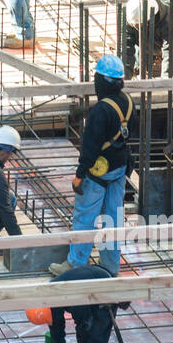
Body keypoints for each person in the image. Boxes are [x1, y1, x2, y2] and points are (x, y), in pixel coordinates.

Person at [51, 54, 133, 277]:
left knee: (85, 218)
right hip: (118, 171)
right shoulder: (127, 102)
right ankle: (110, 266)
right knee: (112, 219)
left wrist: (79, 175)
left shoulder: (100, 111)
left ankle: (76, 264)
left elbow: (90, 147)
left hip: (98, 173)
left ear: (101, 81)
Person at [47, 262, 127, 343]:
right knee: (93, 331)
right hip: (93, 286)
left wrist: (82, 342)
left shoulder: (69, 295)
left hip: (107, 291)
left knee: (97, 333)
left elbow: (84, 321)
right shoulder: (49, 293)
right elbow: (55, 323)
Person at [123, 0, 173, 78]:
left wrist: (167, 80)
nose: (134, 25)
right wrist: (124, 75)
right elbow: (126, 47)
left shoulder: (170, 20)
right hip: (148, 29)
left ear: (148, 20)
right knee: (140, 61)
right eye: (133, 25)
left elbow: (171, 50)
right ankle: (143, 61)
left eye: (137, 25)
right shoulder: (130, 17)